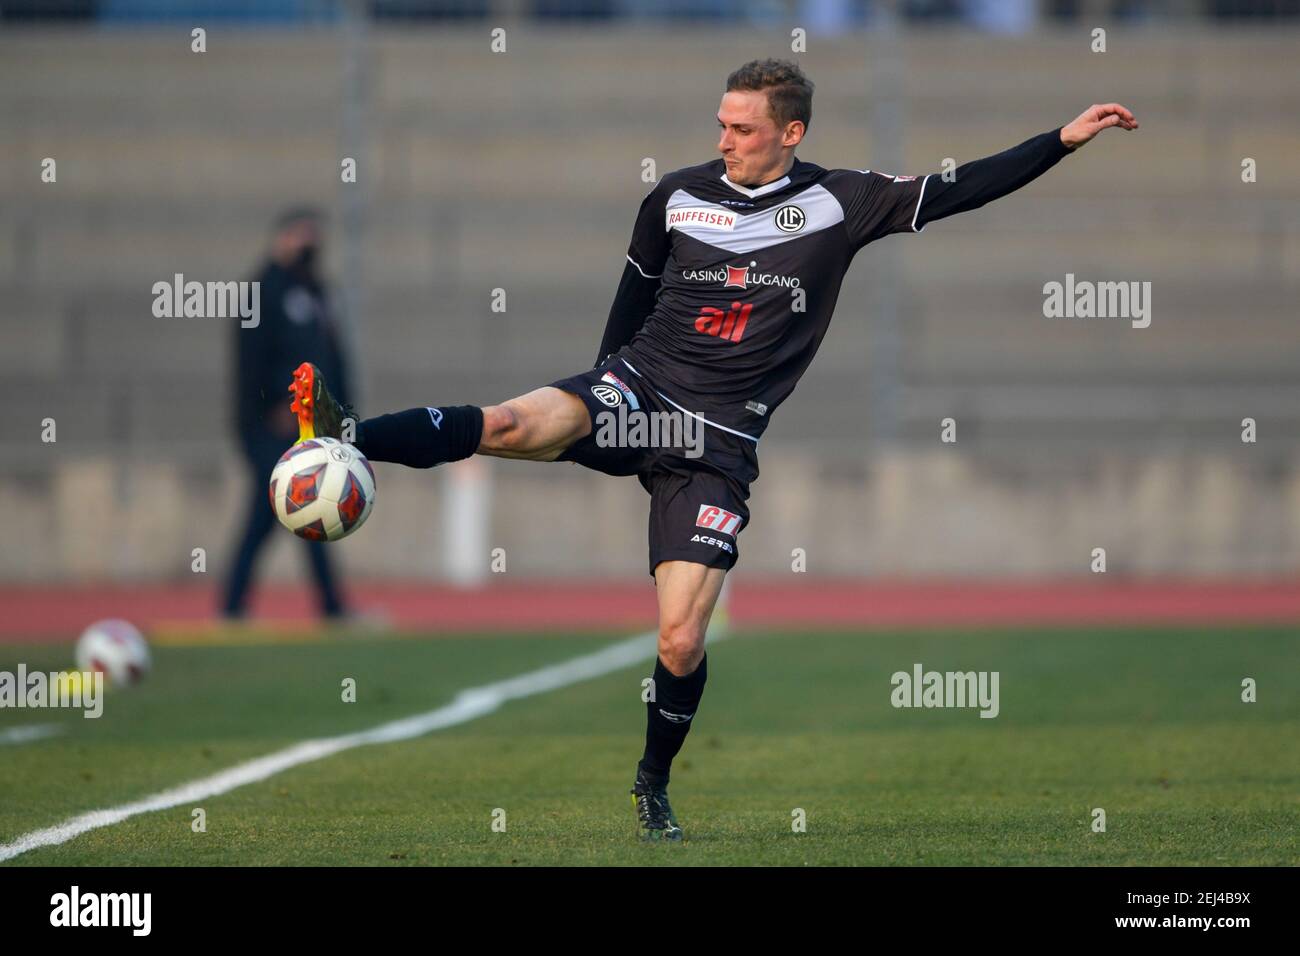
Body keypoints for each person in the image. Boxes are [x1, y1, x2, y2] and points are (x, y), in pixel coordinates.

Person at [287, 60, 1137, 840]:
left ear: (791, 133)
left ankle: (652, 782)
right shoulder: (675, 197)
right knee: (509, 422)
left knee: (680, 643)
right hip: (638, 388)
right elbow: (634, 296)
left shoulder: (845, 201)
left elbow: (958, 189)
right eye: (721, 124)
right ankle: (344, 433)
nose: (723, 140)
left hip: (717, 441)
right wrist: (596, 392)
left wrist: (1061, 141)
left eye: (742, 128)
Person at [223, 208, 353, 621]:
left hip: (314, 424)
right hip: (271, 427)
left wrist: (343, 412)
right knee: (274, 513)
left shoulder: (318, 292)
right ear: (280, 239)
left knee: (307, 509)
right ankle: (234, 605)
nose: (309, 246)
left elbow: (334, 357)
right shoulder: (261, 292)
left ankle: (326, 606)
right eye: (300, 236)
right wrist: (269, 407)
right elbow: (249, 363)